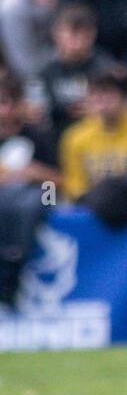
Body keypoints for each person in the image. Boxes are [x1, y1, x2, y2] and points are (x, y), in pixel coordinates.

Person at [59, 69, 127, 224]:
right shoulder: (75, 137)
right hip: (91, 211)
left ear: (125, 99)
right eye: (96, 94)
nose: (102, 100)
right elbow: (75, 187)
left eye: (108, 93)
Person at [0, 73, 59, 307]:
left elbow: (60, 180)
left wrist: (34, 173)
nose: (5, 111)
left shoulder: (38, 135)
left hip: (43, 194)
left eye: (8, 102)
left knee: (34, 198)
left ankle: (13, 257)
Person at [29, 0, 120, 137]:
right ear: (56, 33)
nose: (77, 40)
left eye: (83, 33)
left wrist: (98, 108)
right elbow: (36, 110)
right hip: (55, 135)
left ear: (93, 34)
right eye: (71, 33)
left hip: (97, 136)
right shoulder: (44, 68)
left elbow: (121, 109)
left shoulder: (106, 68)